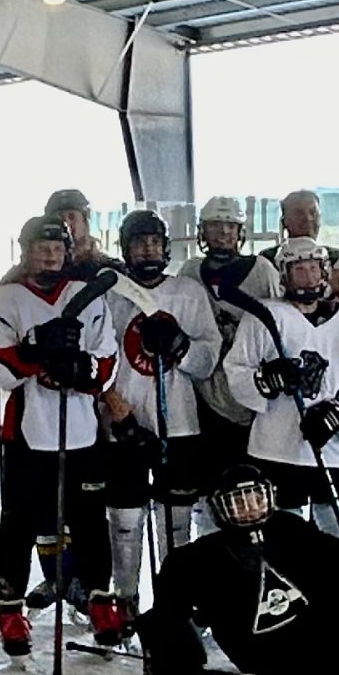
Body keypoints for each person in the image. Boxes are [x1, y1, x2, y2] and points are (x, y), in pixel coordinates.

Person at [133, 465, 339, 675]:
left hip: (321, 626)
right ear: (219, 509)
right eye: (238, 502)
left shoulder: (287, 527)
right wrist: (168, 652)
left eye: (255, 497)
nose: (250, 507)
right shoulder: (196, 559)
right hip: (274, 652)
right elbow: (168, 612)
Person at [0, 217, 120, 654]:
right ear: (24, 250)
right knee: (19, 523)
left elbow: (107, 358)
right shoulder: (2, 300)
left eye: (57, 248)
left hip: (82, 431)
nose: (50, 255)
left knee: (91, 520)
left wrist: (81, 371)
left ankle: (99, 600)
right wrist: (36, 351)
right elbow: (1, 368)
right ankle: (10, 610)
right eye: (42, 247)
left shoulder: (86, 296)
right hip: (26, 435)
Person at [98, 211, 223, 616]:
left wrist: (180, 347)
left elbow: (207, 360)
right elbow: (98, 358)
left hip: (181, 425)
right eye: (140, 242)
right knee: (126, 519)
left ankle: (177, 599)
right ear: (125, 249)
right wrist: (117, 411)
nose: (148, 249)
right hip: (124, 425)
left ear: (166, 247)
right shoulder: (110, 293)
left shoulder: (188, 292)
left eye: (154, 242)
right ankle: (126, 600)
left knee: (176, 519)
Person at [224, 238, 339, 534]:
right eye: (298, 269)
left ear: (325, 271)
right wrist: (266, 381)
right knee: (283, 534)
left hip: (330, 448)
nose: (307, 276)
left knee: (336, 531)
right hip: (275, 447)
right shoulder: (263, 316)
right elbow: (236, 371)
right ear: (283, 275)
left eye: (313, 268)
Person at [181, 195, 282, 533]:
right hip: (205, 395)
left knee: (254, 487)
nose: (222, 233)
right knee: (211, 489)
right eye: (214, 226)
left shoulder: (261, 271)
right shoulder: (190, 273)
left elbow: (275, 328)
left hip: (252, 397)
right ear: (202, 231)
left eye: (229, 226)